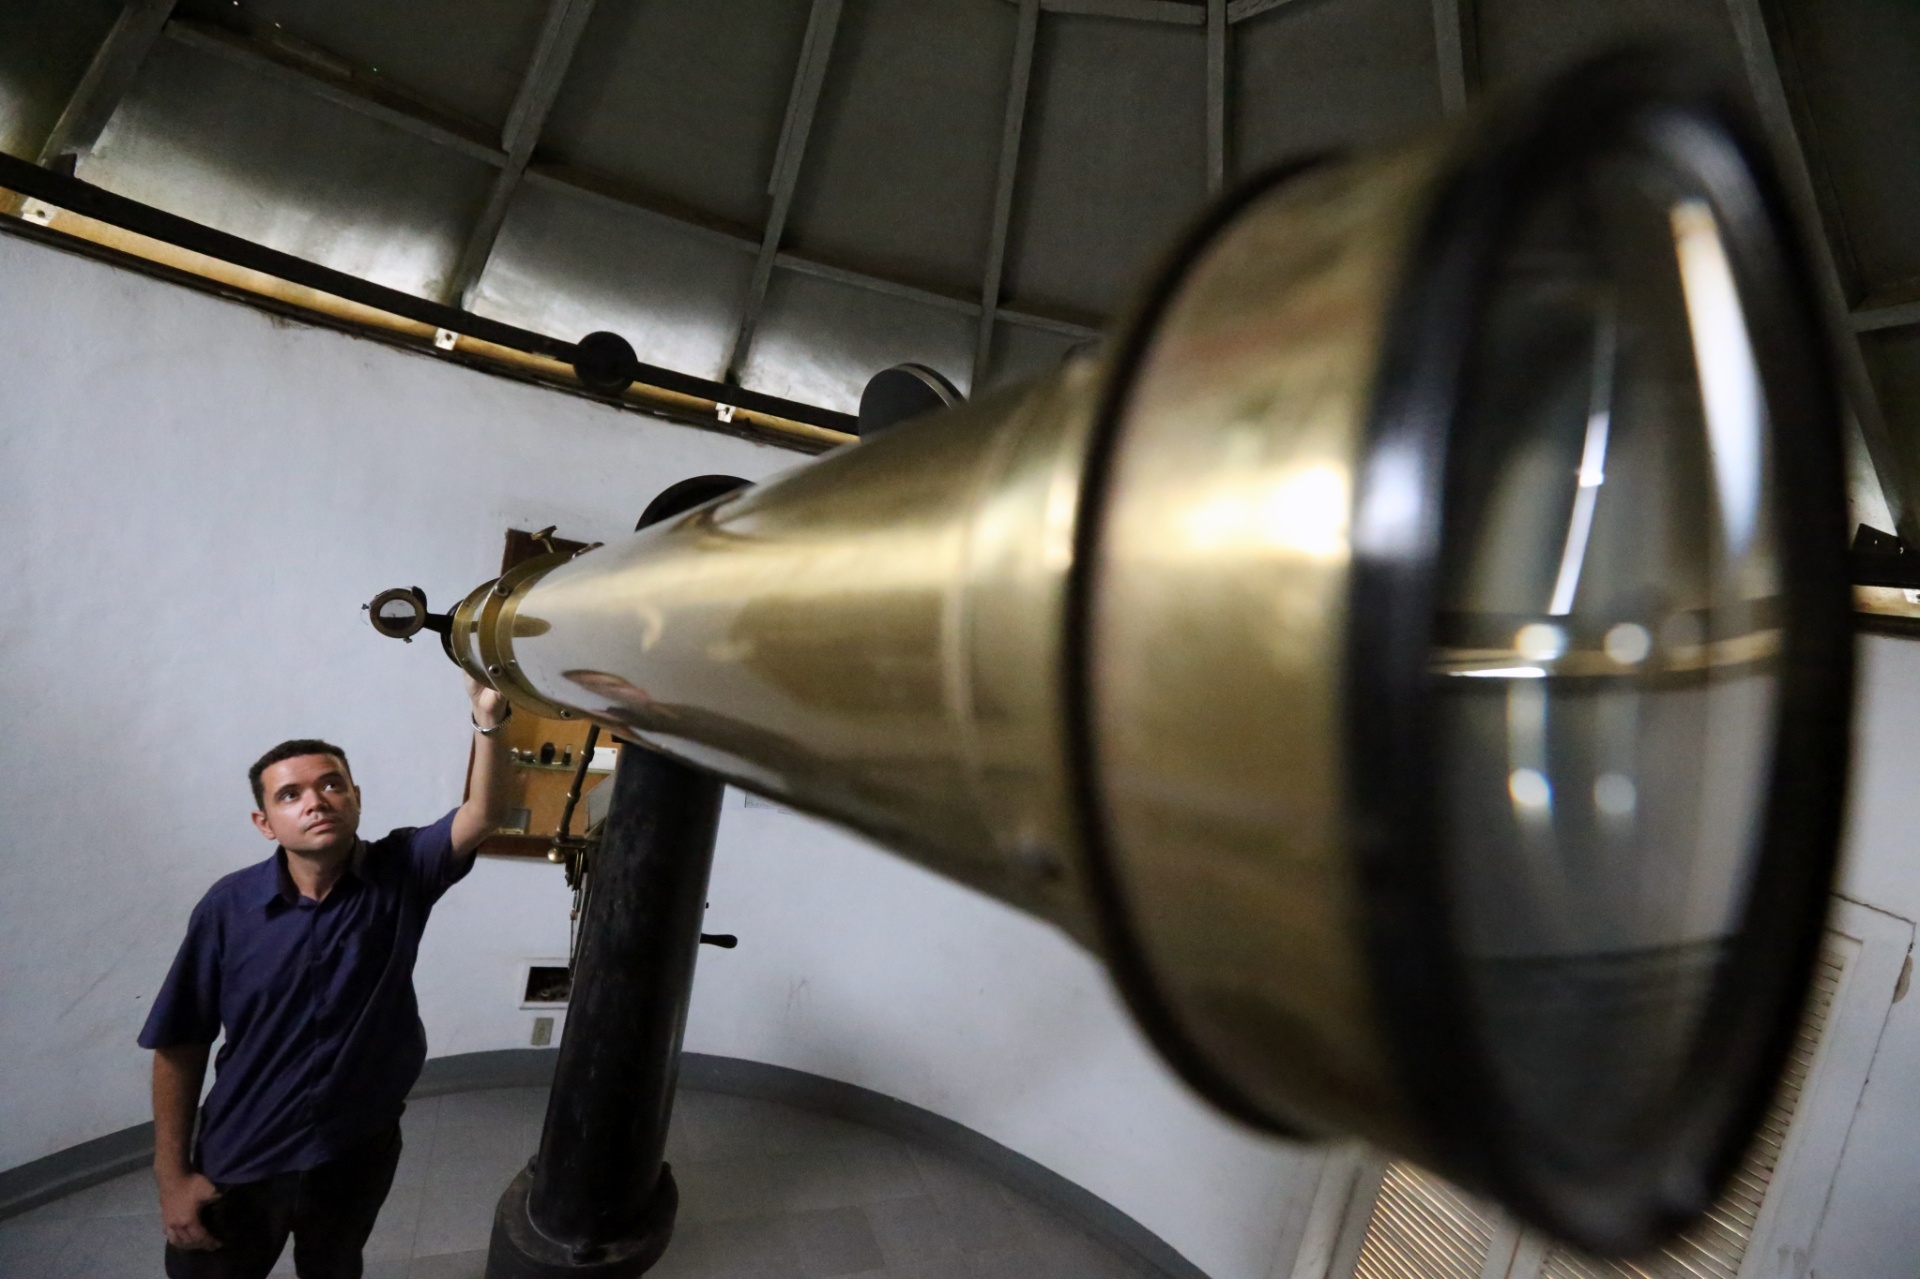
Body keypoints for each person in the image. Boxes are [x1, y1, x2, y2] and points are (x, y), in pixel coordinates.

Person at [140, 676, 511, 1279]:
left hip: (356, 1149)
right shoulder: (228, 909)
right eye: (290, 795)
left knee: (334, 1267)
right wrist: (172, 1178)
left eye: (330, 784)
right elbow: (179, 1044)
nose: (315, 800)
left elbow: (485, 812)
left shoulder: (402, 872)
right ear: (265, 822)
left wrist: (489, 721)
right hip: (244, 1155)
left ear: (355, 798)